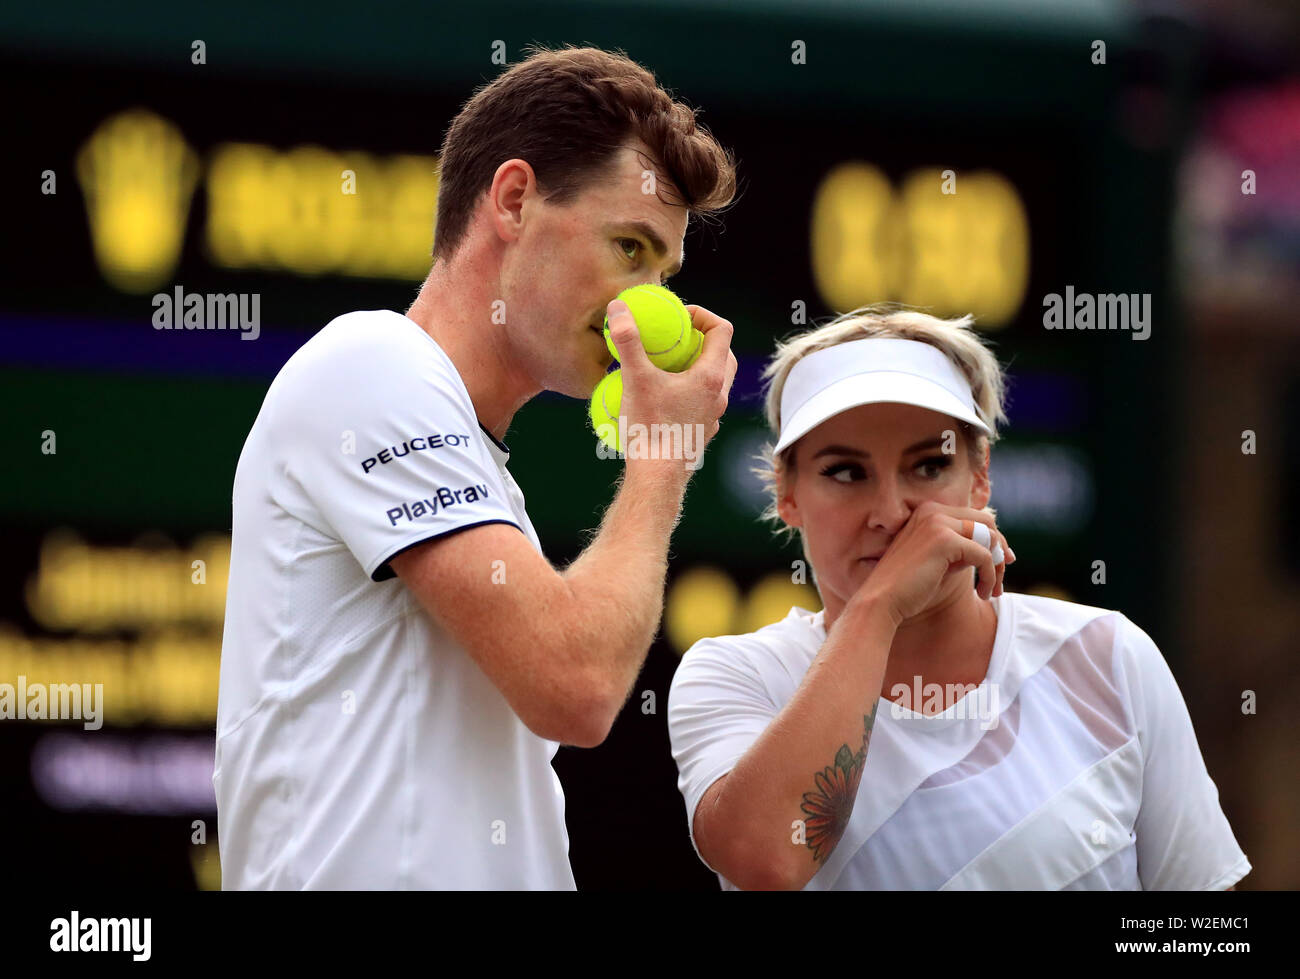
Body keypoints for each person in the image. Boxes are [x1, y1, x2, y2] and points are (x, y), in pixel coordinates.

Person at [214, 45, 738, 889]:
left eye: (664, 272)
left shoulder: (481, 471)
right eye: (629, 248)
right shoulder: (371, 360)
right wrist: (663, 453)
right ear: (514, 200)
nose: (654, 308)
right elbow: (576, 685)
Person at [666, 306, 1251, 891]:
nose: (891, 514)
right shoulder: (734, 674)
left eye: (928, 465)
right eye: (846, 472)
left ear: (980, 477)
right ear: (788, 492)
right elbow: (767, 862)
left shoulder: (1108, 653)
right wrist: (879, 608)